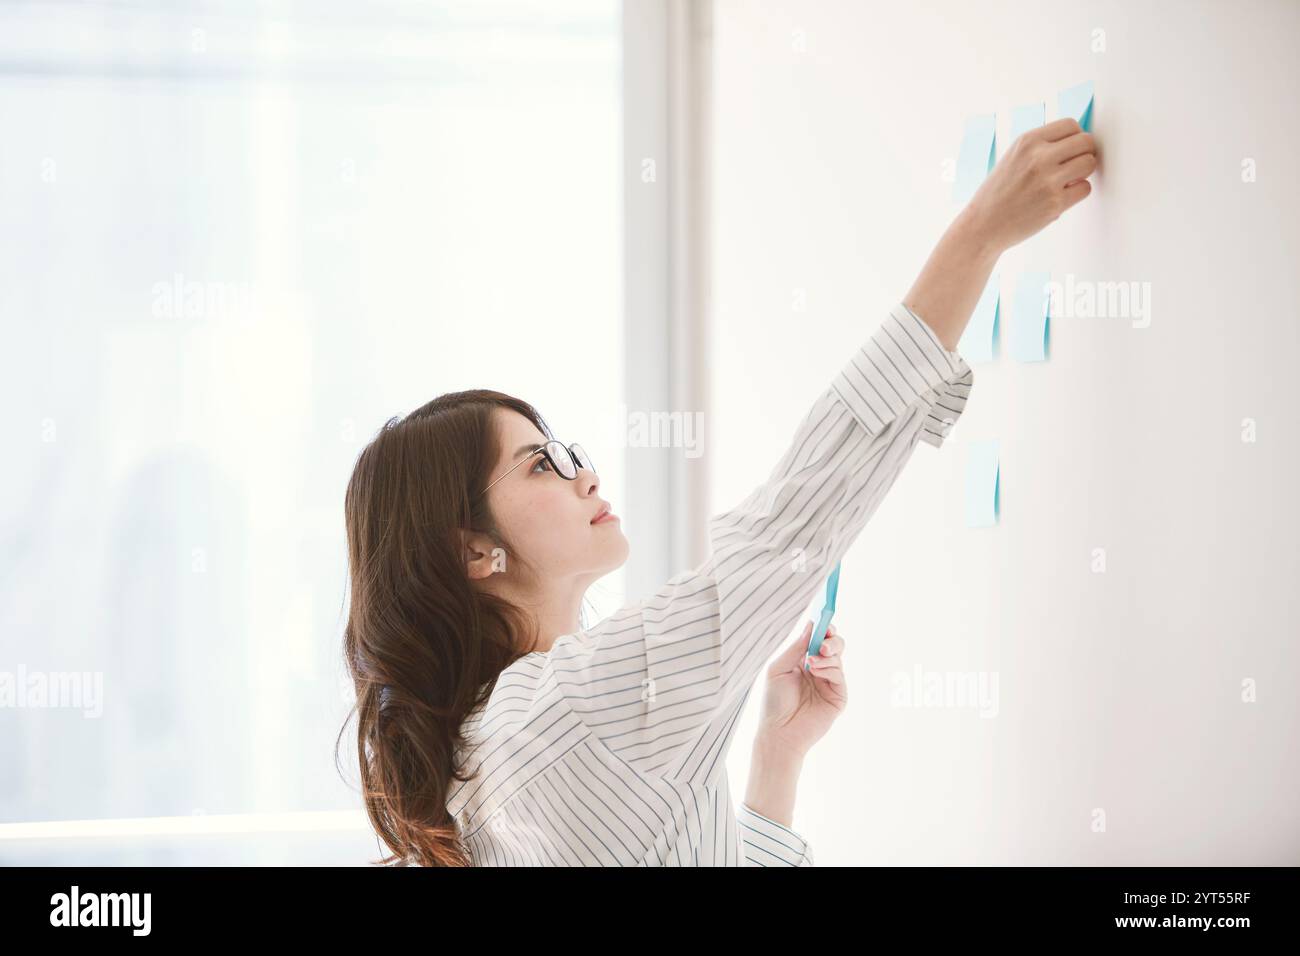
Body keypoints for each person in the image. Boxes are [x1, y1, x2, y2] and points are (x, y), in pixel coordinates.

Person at [339, 118, 1098, 866]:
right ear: (475, 549)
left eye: (568, 453)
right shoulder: (565, 710)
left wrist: (777, 759)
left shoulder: (491, 747)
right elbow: (781, 533)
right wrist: (979, 236)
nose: (587, 475)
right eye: (542, 465)